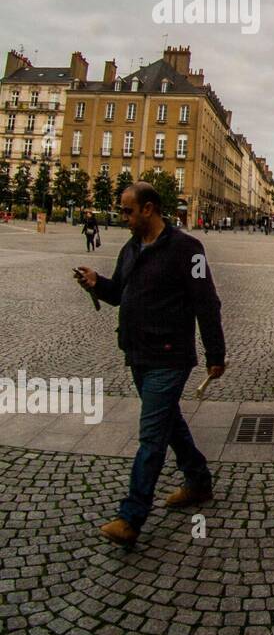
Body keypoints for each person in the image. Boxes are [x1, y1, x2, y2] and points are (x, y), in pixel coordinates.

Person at [75, 183, 226, 546]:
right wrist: (97, 284)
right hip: (137, 353)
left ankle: (132, 516)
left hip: (170, 355)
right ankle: (198, 480)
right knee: (169, 422)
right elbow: (119, 295)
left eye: (128, 211)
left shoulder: (188, 249)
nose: (123, 217)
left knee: (151, 437)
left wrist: (215, 354)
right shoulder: (130, 250)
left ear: (149, 208)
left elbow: (207, 302)